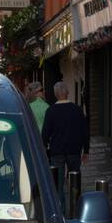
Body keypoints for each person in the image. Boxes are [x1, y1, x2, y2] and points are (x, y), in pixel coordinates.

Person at [41, 81, 89, 215]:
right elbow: (85, 131)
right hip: (74, 150)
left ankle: (61, 211)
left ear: (55, 94)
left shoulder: (50, 111)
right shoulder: (77, 109)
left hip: (57, 152)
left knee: (59, 184)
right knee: (75, 181)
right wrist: (86, 150)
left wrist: (43, 149)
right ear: (67, 92)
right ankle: (77, 209)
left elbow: (45, 133)